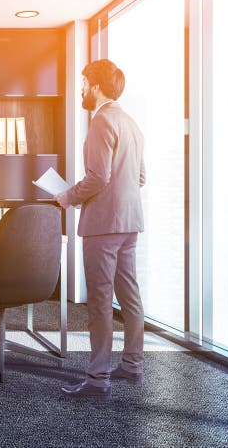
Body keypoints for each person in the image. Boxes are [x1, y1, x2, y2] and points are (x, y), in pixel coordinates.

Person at [56, 59, 146, 400]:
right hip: (129, 222)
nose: (81, 89)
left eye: (83, 83)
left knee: (99, 301)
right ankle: (133, 366)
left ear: (95, 86)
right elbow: (140, 178)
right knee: (130, 296)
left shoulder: (101, 122)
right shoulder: (132, 124)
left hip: (103, 227)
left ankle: (97, 380)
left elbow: (98, 178)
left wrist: (67, 197)